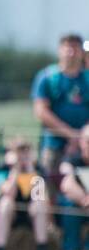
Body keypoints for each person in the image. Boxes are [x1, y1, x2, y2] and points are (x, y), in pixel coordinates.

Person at [32, 33, 89, 176]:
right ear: (59, 50)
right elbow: (41, 111)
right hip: (54, 144)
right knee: (48, 187)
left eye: (75, 48)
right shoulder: (47, 77)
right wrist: (70, 134)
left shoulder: (87, 78)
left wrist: (83, 136)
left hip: (86, 145)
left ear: (82, 52)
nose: (71, 53)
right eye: (67, 48)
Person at [0, 136, 51, 250]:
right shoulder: (1, 169)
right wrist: (15, 170)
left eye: (26, 151)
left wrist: (31, 171)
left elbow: (40, 195)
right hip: (11, 214)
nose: (23, 156)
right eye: (19, 152)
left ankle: (42, 248)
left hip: (31, 213)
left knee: (39, 205)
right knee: (5, 203)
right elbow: (9, 192)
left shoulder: (38, 169)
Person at [58, 124, 89, 250]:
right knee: (69, 205)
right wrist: (84, 199)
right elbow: (67, 184)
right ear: (81, 142)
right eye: (88, 141)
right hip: (79, 204)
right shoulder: (71, 160)